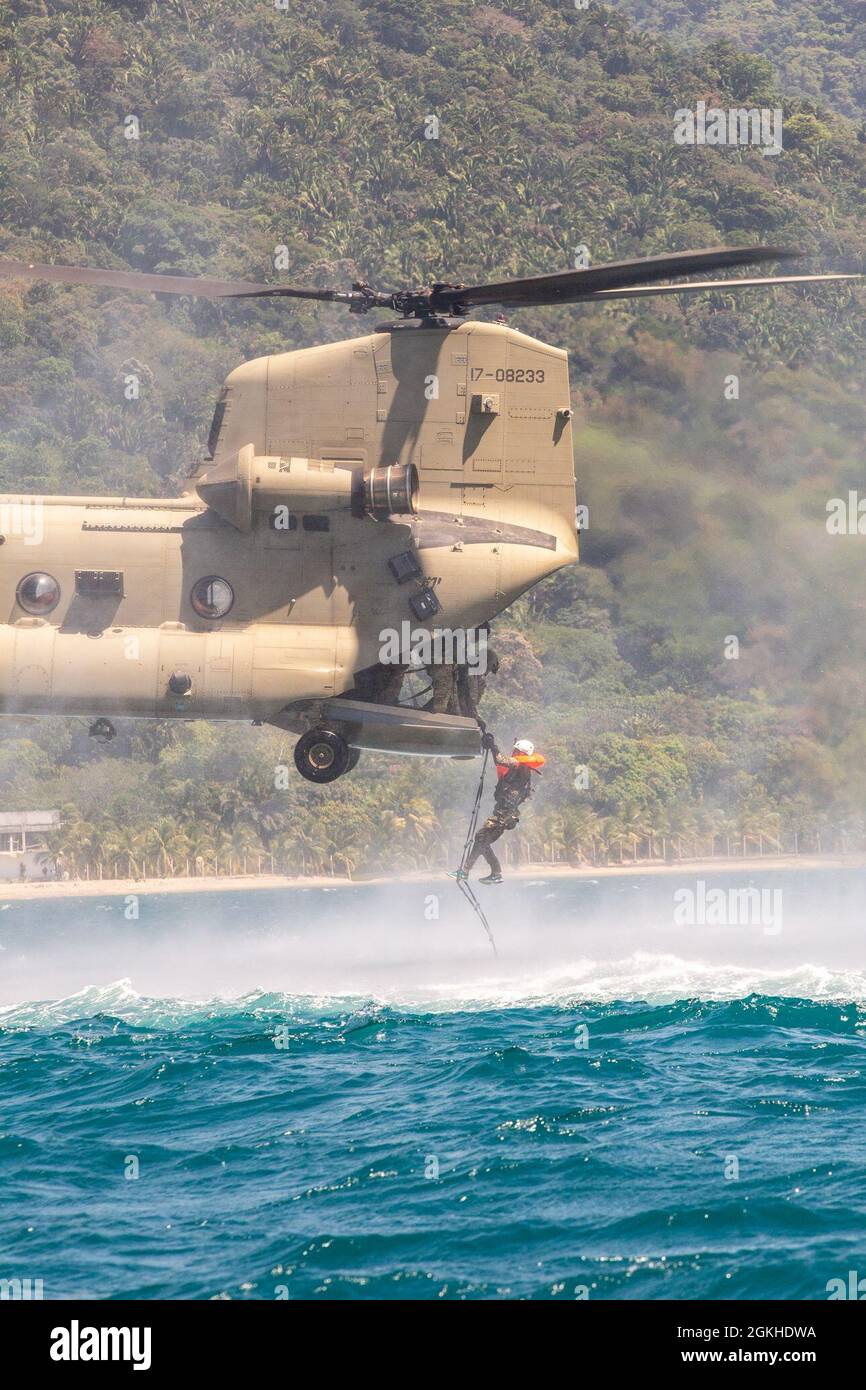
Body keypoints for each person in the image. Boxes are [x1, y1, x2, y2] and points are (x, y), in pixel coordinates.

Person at [452, 734, 545, 884]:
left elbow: (500, 759)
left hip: (504, 816)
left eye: (515, 751)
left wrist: (492, 746)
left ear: (521, 753)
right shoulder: (521, 768)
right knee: (481, 839)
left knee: (481, 838)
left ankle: (467, 872)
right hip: (504, 814)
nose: (513, 753)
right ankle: (490, 873)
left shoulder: (519, 765)